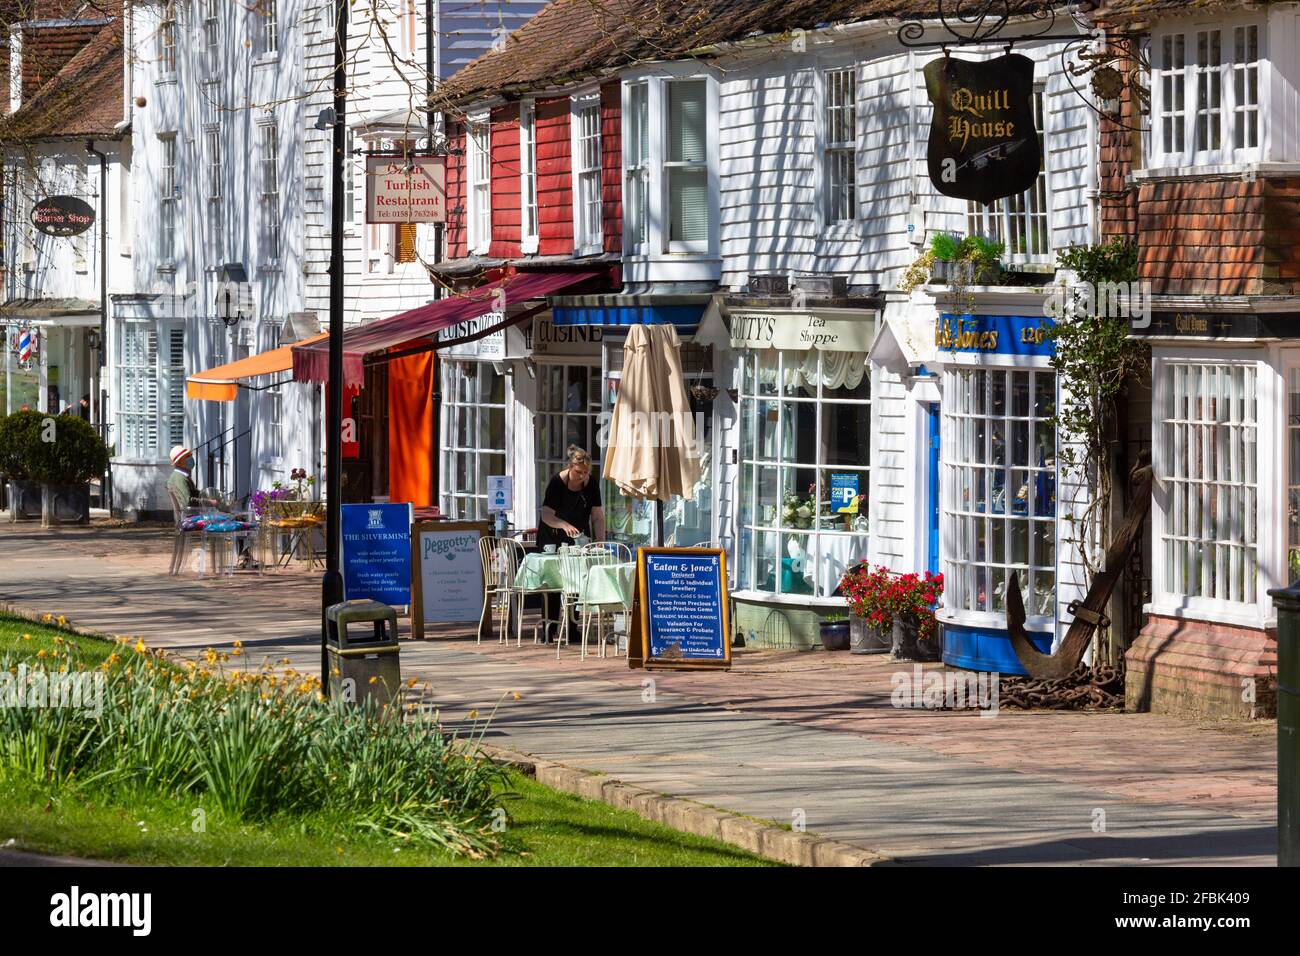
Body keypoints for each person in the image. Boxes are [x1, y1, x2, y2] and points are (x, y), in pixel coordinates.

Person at [537, 446, 605, 641]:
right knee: (553, 583)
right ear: (570, 466)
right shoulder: (557, 482)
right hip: (552, 535)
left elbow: (598, 516)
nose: (582, 476)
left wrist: (600, 541)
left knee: (575, 579)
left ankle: (573, 628)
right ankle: (549, 630)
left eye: (586, 472)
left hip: (578, 536)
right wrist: (563, 525)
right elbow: (546, 514)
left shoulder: (590, 484)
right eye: (578, 472)